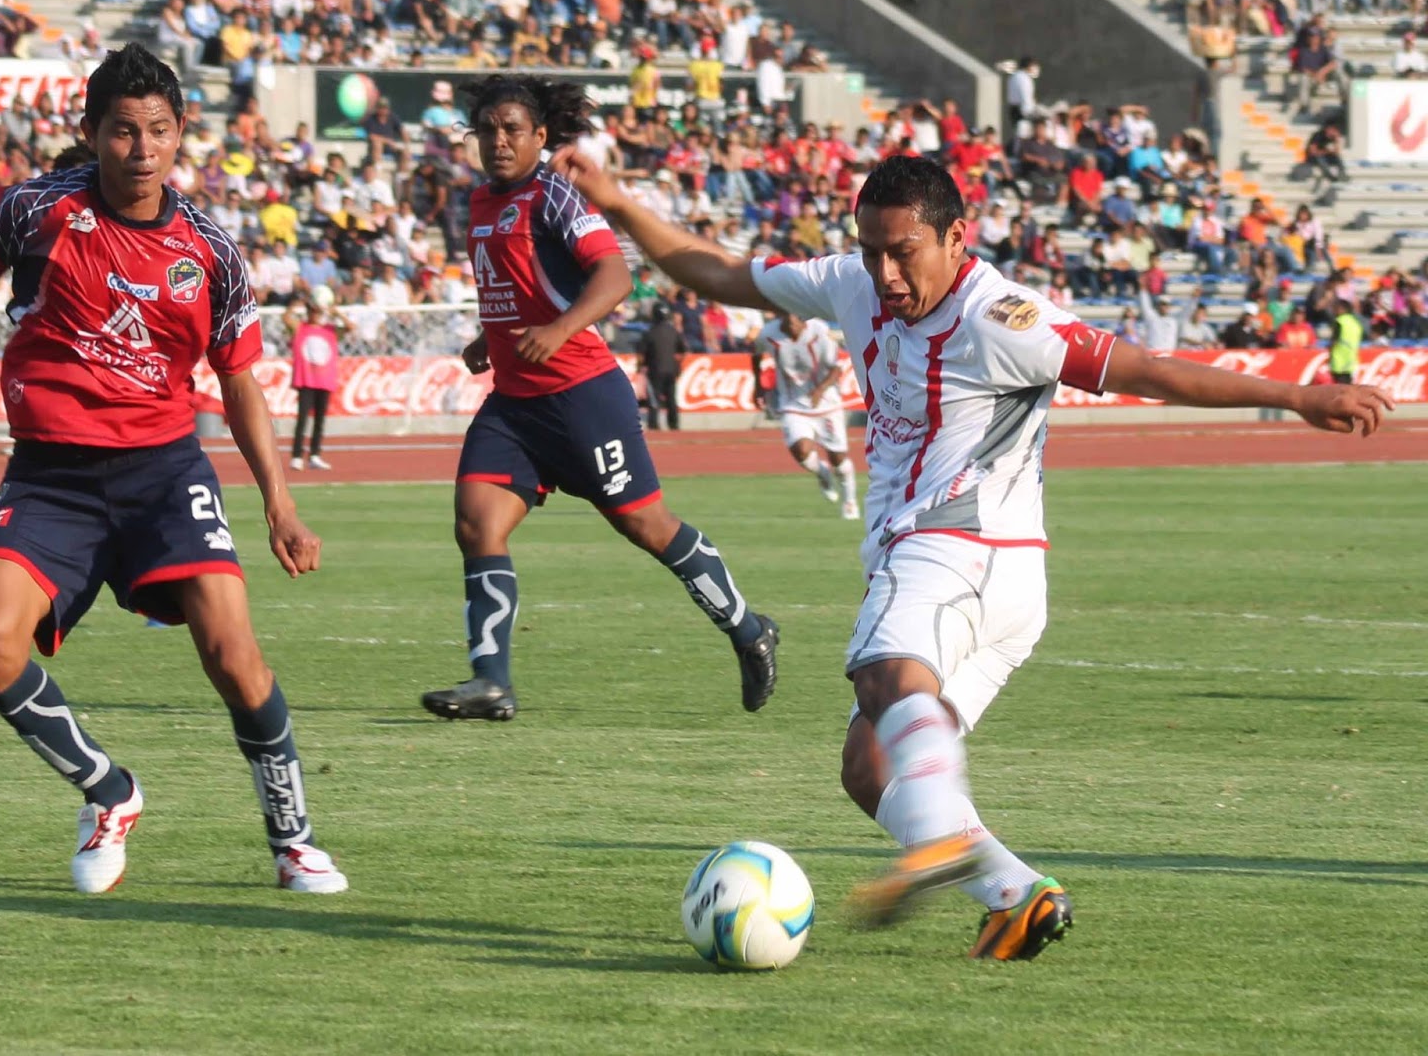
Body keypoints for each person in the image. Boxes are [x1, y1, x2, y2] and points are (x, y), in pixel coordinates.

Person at [549, 149, 1394, 961]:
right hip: (1005, 586)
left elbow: (1145, 368)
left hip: (951, 546)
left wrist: (1297, 396)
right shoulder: (852, 282)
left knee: (883, 678)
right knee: (868, 767)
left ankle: (943, 836)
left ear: (958, 237)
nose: (886, 273)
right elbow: (723, 274)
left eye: (904, 251)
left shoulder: (1001, 318)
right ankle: (1016, 894)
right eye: (873, 250)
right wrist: (620, 203)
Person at [0, 45, 348, 897]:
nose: (142, 149)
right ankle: (109, 791)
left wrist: (281, 504)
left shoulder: (211, 250)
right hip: (50, 476)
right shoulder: (34, 210)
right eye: (124, 131)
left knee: (234, 655)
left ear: (181, 134)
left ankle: (294, 841)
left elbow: (240, 380)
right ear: (92, 132)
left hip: (165, 473)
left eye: (159, 131)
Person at [420, 74, 779, 723]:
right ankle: (491, 681)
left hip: (582, 397)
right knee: (475, 523)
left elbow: (615, 276)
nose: (498, 141)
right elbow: (523, 284)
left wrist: (559, 330)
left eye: (512, 130)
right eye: (487, 130)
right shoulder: (479, 201)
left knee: (647, 526)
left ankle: (749, 629)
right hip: (515, 404)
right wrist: (487, 336)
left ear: (539, 136)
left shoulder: (553, 194)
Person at [759, 311, 858, 520]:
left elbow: (836, 369)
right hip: (793, 403)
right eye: (787, 320)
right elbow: (756, 354)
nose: (791, 325)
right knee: (801, 452)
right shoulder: (768, 334)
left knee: (838, 460)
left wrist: (820, 390)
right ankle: (822, 473)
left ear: (803, 321)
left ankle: (849, 501)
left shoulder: (819, 332)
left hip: (827, 404)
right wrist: (757, 386)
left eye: (795, 321)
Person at [285, 284, 349, 471]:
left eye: (318, 312)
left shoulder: (330, 330)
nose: (316, 315)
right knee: (302, 419)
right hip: (306, 380)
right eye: (313, 311)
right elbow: (286, 319)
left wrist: (335, 312)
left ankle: (315, 455)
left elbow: (350, 327)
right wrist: (296, 305)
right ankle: (297, 456)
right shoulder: (301, 328)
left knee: (320, 421)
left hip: (324, 380)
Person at [638, 300, 685, 430]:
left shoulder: (650, 332)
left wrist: (640, 367)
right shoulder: (673, 331)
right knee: (671, 398)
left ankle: (654, 424)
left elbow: (641, 354)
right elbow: (682, 351)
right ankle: (674, 425)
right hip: (671, 369)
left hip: (655, 370)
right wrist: (677, 364)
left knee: (654, 399)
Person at [1330, 294, 1364, 383]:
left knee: (1339, 388)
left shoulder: (1340, 321)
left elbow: (1334, 340)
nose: (1333, 310)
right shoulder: (1355, 323)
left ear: (1341, 309)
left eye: (1335, 308)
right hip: (1352, 361)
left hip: (1339, 361)